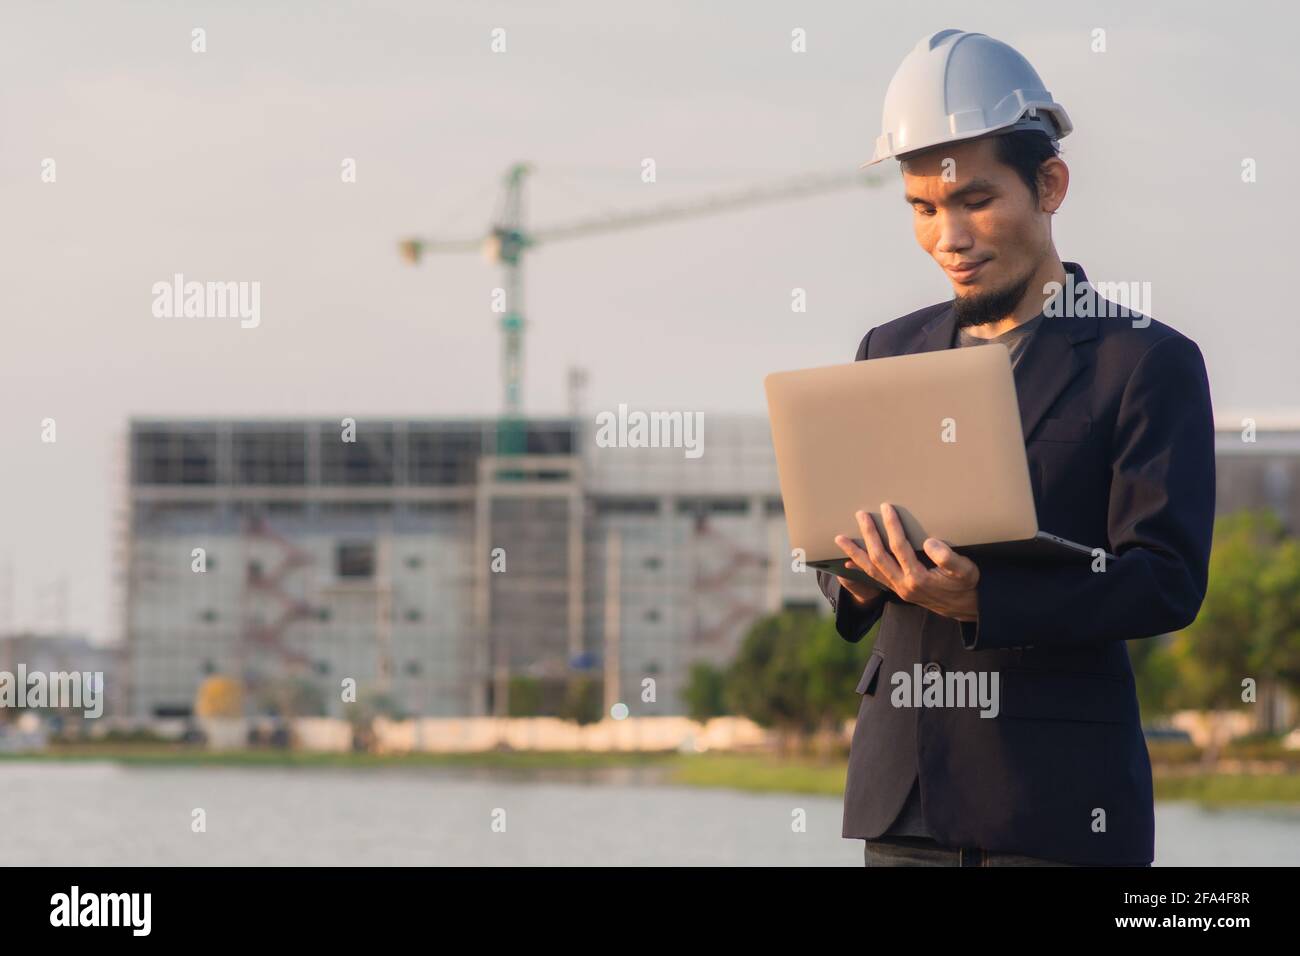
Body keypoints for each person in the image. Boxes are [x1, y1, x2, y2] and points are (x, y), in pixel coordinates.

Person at [816, 29, 1215, 867]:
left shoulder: (1145, 362)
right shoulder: (885, 351)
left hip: (1055, 805)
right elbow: (838, 550)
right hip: (901, 801)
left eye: (974, 200)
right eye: (923, 208)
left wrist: (986, 601)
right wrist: (854, 570)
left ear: (1051, 184)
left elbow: (1166, 581)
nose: (948, 237)